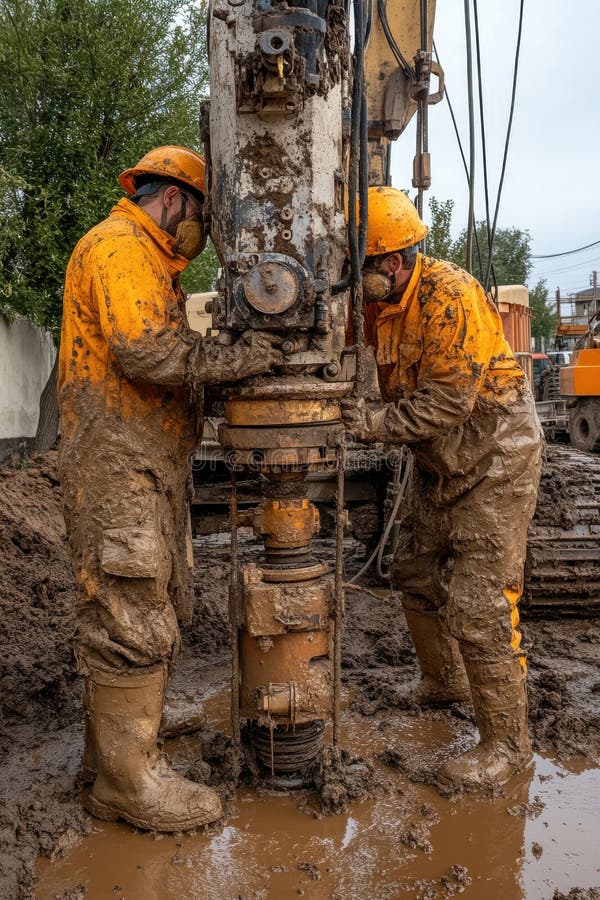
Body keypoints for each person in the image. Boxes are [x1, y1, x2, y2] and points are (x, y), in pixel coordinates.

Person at [58, 145, 281, 831]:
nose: (200, 235)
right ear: (177, 200)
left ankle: (118, 749)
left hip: (143, 456)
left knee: (151, 594)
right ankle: (126, 785)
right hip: (117, 457)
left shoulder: (149, 257)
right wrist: (235, 360)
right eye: (201, 217)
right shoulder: (120, 246)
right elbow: (143, 348)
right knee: (130, 602)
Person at [342, 185, 543, 789]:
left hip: (494, 457)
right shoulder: (377, 307)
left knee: (480, 604)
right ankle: (444, 683)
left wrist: (372, 424)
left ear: (394, 262)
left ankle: (508, 745)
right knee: (416, 570)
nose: (358, 279)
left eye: (364, 266)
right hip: (439, 461)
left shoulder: (447, 295)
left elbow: (450, 402)